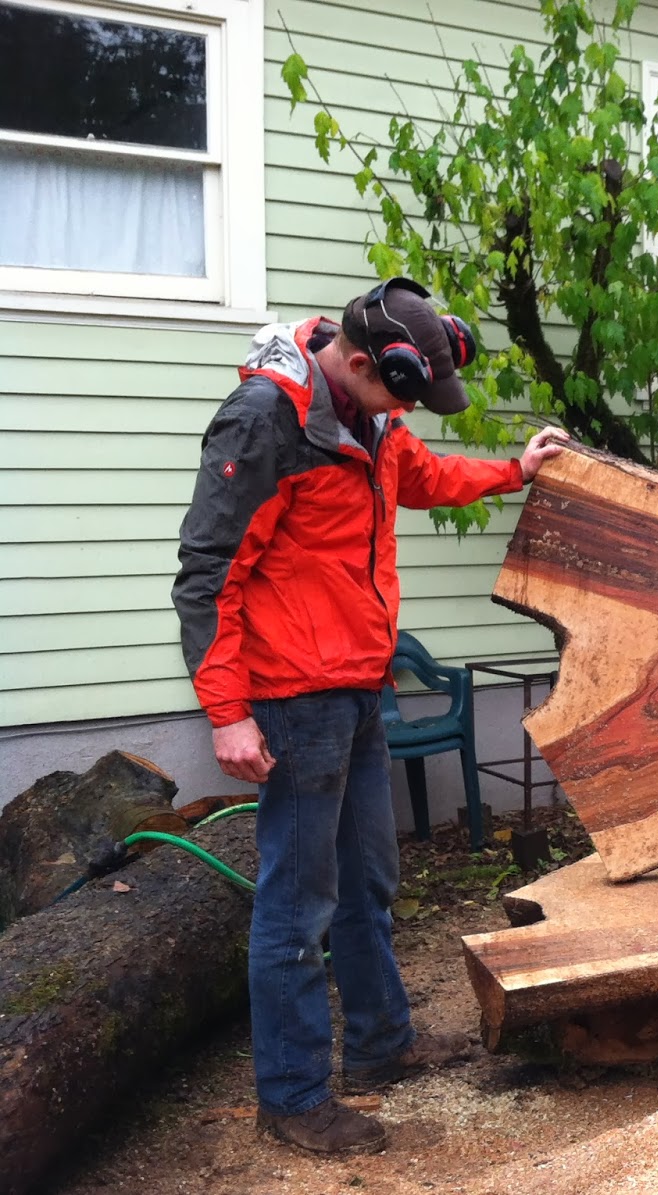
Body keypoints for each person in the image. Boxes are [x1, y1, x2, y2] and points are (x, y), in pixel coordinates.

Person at [173, 277, 569, 1155]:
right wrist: (227, 713)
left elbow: (421, 475)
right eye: (404, 392)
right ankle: (296, 1093)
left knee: (369, 876)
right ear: (359, 362)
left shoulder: (373, 415)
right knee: (299, 900)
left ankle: (384, 1044)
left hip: (359, 681)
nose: (410, 412)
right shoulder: (266, 423)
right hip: (292, 695)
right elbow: (207, 573)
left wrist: (515, 470)